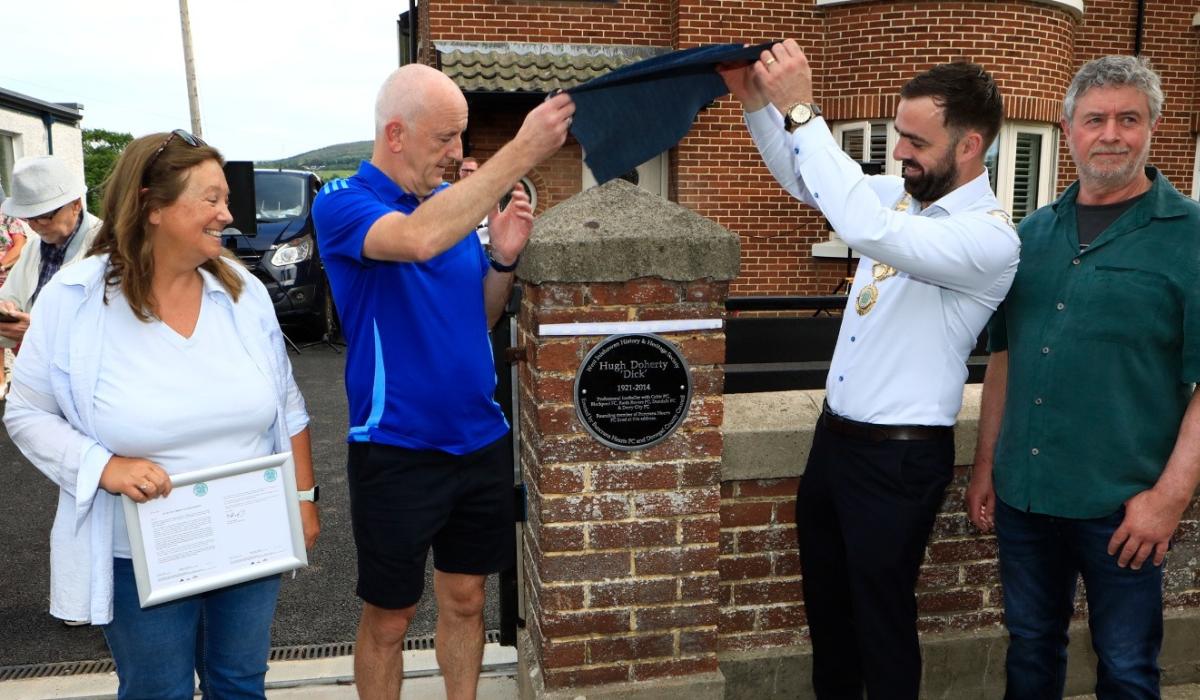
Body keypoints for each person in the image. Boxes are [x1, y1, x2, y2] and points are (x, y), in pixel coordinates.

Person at [721, 41, 1019, 698]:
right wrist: (756, 105)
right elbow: (809, 181)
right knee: (829, 621)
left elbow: (860, 225)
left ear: (970, 145)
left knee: (881, 627)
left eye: (916, 141)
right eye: (898, 135)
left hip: (898, 462)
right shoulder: (903, 197)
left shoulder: (989, 237)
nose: (900, 152)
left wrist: (803, 110)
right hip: (835, 445)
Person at [4, 130, 320, 699]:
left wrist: (303, 499)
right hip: (139, 548)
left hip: (249, 532)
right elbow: (27, 412)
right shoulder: (75, 300)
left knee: (240, 684)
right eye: (211, 199)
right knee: (158, 690)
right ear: (151, 205)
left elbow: (288, 406)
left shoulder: (243, 293)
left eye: (226, 199)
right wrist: (103, 466)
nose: (227, 215)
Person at [311, 63, 572, 700]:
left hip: (478, 440)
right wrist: (521, 152)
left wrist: (502, 259)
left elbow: (479, 318)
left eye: (462, 137)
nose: (457, 151)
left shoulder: (449, 210)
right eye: (445, 137)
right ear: (396, 134)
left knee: (467, 598)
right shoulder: (344, 201)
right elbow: (417, 241)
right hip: (396, 447)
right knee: (390, 617)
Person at [967, 56, 1200, 699]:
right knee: (1030, 648)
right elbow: (1005, 358)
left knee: (1127, 668)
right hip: (1025, 497)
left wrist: (1169, 499)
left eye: (1129, 119)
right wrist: (986, 466)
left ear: (1152, 128)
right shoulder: (1031, 234)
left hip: (1124, 506)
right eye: (1095, 119)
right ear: (1068, 129)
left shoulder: (1191, 237)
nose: (1111, 134)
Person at [0, 155, 102, 352]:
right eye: (28, 218)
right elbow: (9, 296)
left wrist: (39, 331)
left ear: (75, 205)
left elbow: (113, 330)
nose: (35, 226)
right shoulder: (34, 248)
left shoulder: (109, 247)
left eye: (44, 216)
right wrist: (7, 310)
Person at [0, 184, 29, 394]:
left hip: (9, 283)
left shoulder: (9, 218)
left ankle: (31, 376)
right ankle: (1, 382)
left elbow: (20, 245)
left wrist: (1, 265)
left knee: (18, 330)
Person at [457, 157, 491, 245]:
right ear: (459, 172)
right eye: (465, 170)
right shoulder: (448, 196)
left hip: (482, 247)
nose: (468, 174)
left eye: (472, 171)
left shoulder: (489, 197)